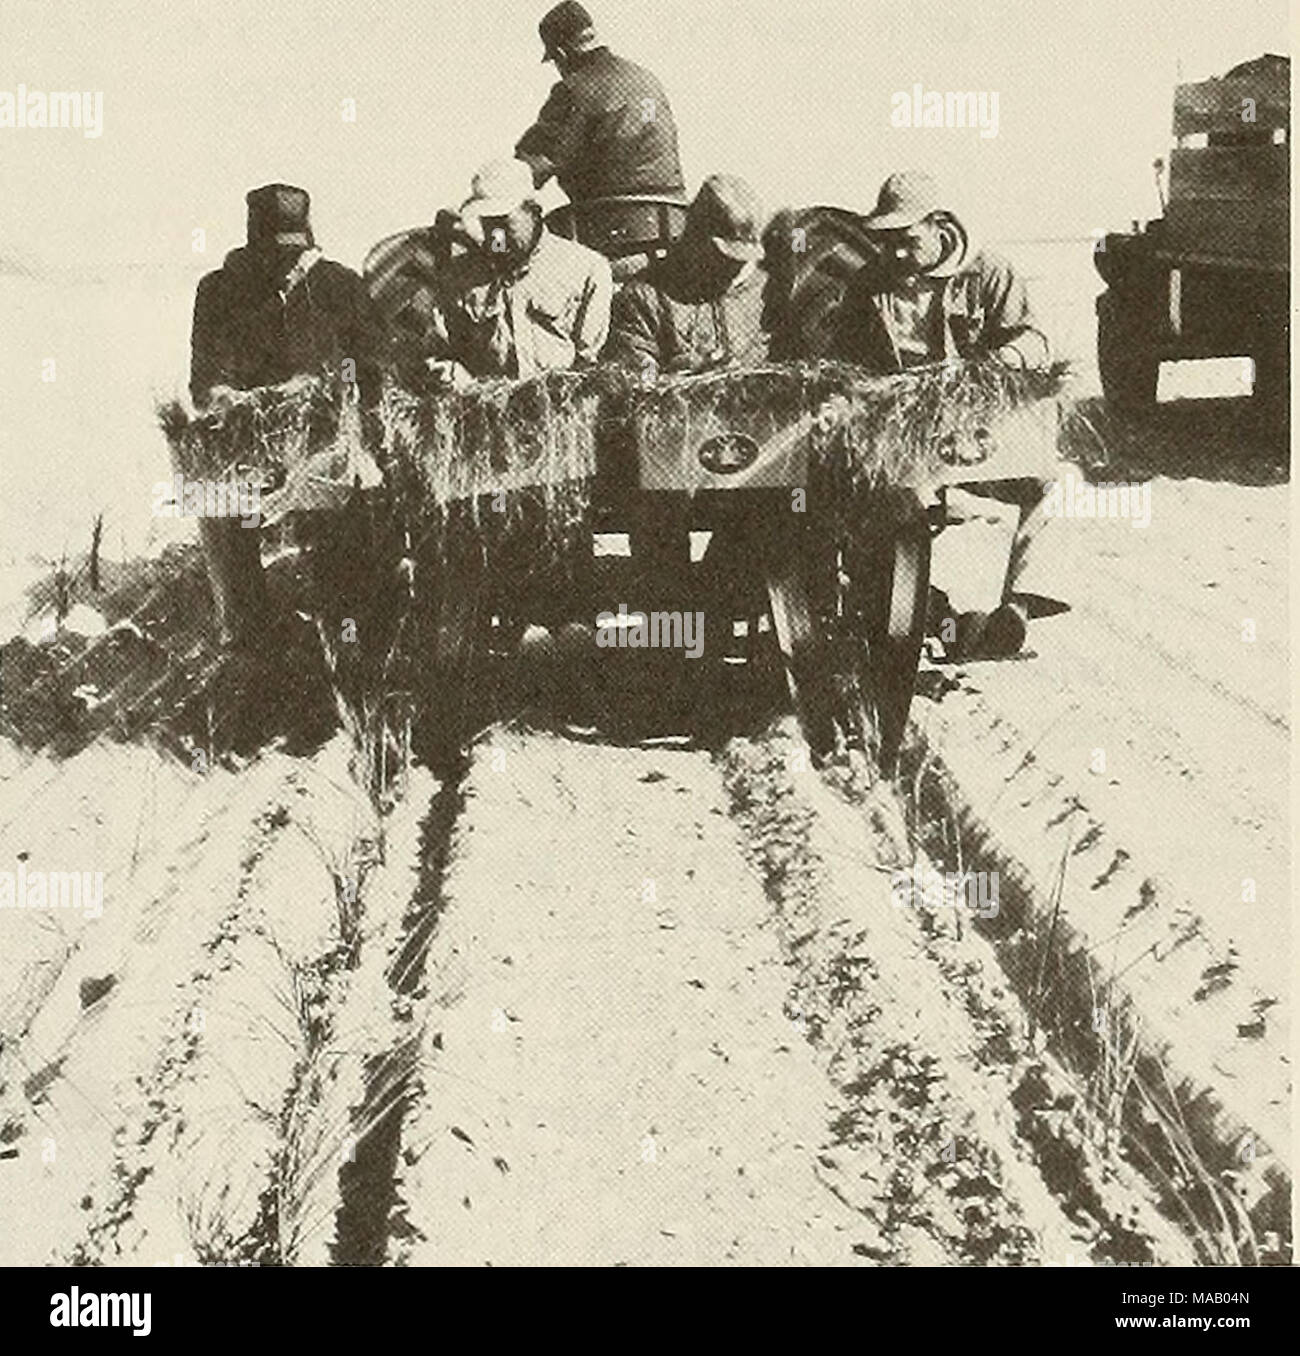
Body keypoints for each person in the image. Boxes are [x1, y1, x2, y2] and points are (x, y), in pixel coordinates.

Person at [829, 170, 1053, 656]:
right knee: (884, 514)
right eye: (887, 243)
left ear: (939, 226)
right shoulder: (870, 286)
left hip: (974, 434)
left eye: (908, 241)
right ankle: (930, 616)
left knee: (1046, 485)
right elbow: (844, 365)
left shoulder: (989, 272)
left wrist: (1009, 358)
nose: (898, 255)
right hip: (902, 438)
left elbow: (1034, 338)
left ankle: (1016, 607)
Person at [188, 183, 385, 646]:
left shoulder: (339, 286)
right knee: (222, 504)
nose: (286, 263)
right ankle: (247, 631)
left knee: (348, 541)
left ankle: (349, 629)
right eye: (273, 252)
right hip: (248, 443)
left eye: (294, 252)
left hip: (327, 442)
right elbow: (204, 378)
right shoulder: (218, 292)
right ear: (253, 244)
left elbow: (374, 365)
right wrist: (225, 397)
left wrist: (335, 383)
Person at [413, 158, 612, 384]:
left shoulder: (587, 269)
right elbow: (439, 353)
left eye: (504, 221)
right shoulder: (460, 278)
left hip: (561, 408)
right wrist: (452, 374)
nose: (497, 236)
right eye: (488, 223)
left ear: (534, 212)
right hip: (484, 409)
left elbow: (589, 365)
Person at [516, 3, 686, 267]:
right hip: (673, 225)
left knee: (518, 258)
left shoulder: (573, 91)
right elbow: (644, 130)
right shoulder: (647, 82)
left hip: (607, 229)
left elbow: (530, 169)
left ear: (560, 53)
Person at [604, 174, 769, 374]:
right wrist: (673, 372)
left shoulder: (767, 291)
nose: (734, 270)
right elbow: (632, 369)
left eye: (742, 261)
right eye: (725, 258)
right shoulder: (645, 296)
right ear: (695, 236)